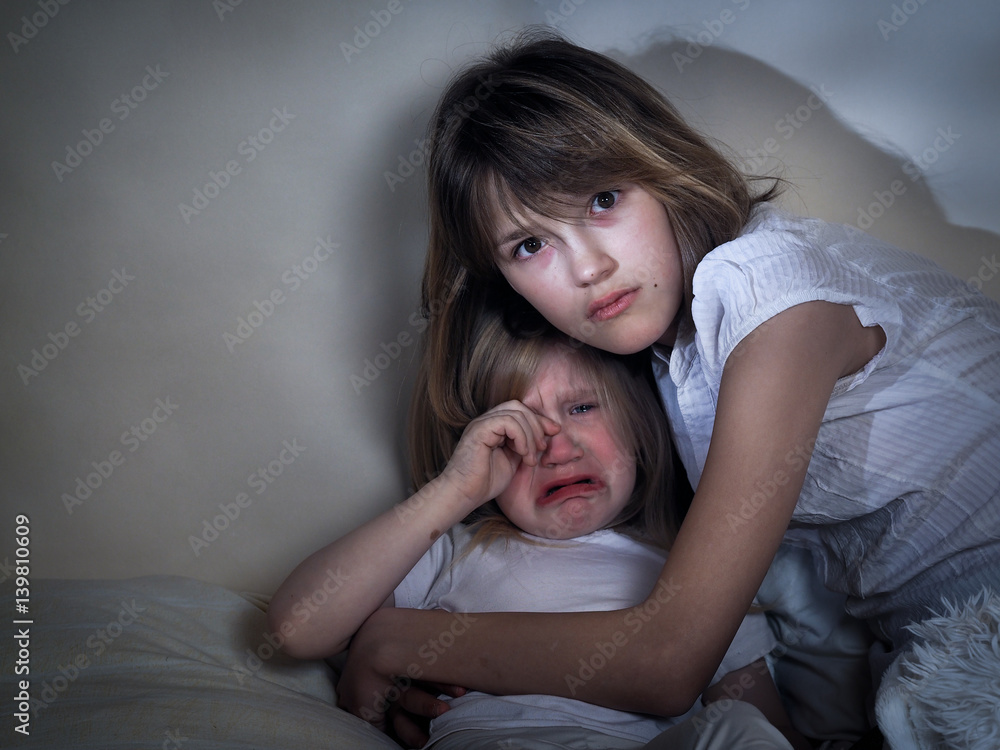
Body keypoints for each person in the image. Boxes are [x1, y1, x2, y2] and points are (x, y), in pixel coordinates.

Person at [333, 30, 1000, 745]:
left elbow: (669, 661)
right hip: (937, 656)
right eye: (530, 245)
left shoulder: (771, 296)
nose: (586, 268)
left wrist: (398, 643)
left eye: (602, 199)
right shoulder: (667, 363)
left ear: (663, 169)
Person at [269, 313, 805, 749]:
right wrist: (454, 492)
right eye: (515, 427)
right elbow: (300, 627)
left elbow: (766, 729)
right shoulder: (458, 551)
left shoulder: (696, 574)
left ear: (640, 427)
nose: (555, 446)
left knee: (734, 727)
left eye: (581, 407)